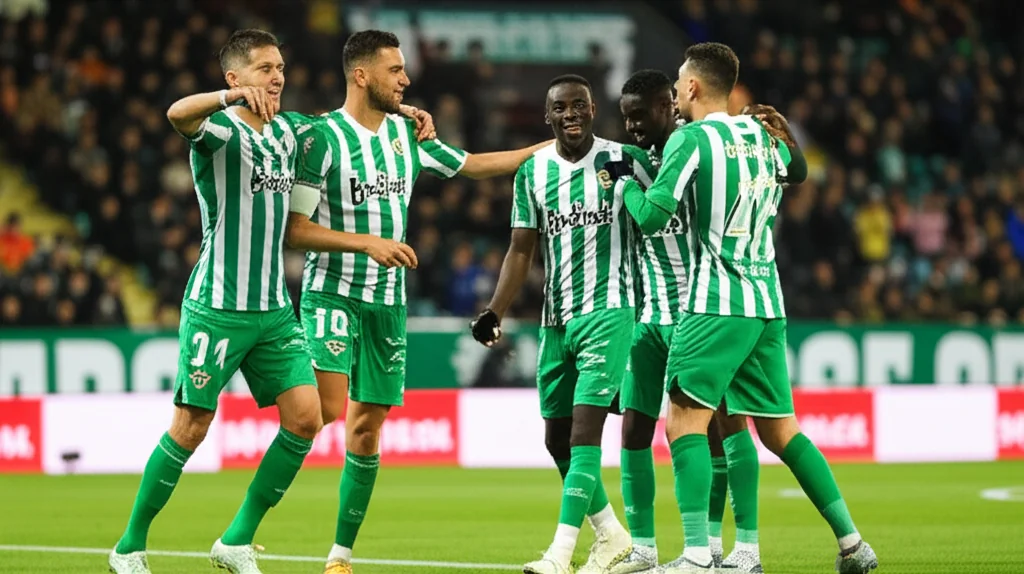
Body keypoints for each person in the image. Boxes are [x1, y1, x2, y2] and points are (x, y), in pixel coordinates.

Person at [288, 30, 549, 574]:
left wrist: (544, 151)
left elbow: (473, 165)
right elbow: (296, 230)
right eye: (395, 70)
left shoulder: (408, 135)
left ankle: (339, 557)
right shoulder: (322, 136)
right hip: (332, 290)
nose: (406, 79)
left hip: (387, 302)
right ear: (361, 75)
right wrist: (367, 243)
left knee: (367, 428)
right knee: (326, 410)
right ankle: (243, 530)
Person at [615, 43, 877, 574]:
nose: (677, 93)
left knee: (684, 425)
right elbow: (797, 172)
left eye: (679, 84)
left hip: (715, 301)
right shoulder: (760, 133)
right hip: (767, 303)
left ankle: (695, 556)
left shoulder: (690, 139)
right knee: (782, 431)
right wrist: (786, 133)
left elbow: (652, 216)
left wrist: (624, 187)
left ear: (692, 86)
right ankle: (853, 544)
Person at [110, 29, 326, 574]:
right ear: (235, 77)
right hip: (217, 306)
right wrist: (228, 99)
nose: (277, 77)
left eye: (280, 67)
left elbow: (342, 125)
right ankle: (128, 547)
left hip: (274, 310)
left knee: (307, 418)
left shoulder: (290, 132)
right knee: (190, 428)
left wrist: (401, 115)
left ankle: (235, 541)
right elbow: (177, 114)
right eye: (264, 68)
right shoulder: (221, 129)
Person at [471, 74, 656, 574]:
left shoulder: (623, 160)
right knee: (556, 440)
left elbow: (665, 210)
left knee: (583, 435)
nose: (570, 113)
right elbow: (521, 248)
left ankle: (558, 554)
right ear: (547, 116)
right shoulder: (532, 172)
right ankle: (612, 534)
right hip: (556, 321)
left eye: (578, 105)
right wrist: (496, 309)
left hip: (611, 311)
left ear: (593, 110)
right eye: (560, 107)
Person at [607, 69, 762, 573]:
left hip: (699, 314)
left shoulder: (701, 150)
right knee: (634, 430)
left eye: (641, 115)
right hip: (647, 318)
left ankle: (719, 545)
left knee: (722, 429)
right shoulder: (626, 160)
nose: (632, 126)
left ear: (669, 106)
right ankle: (644, 548)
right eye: (626, 118)